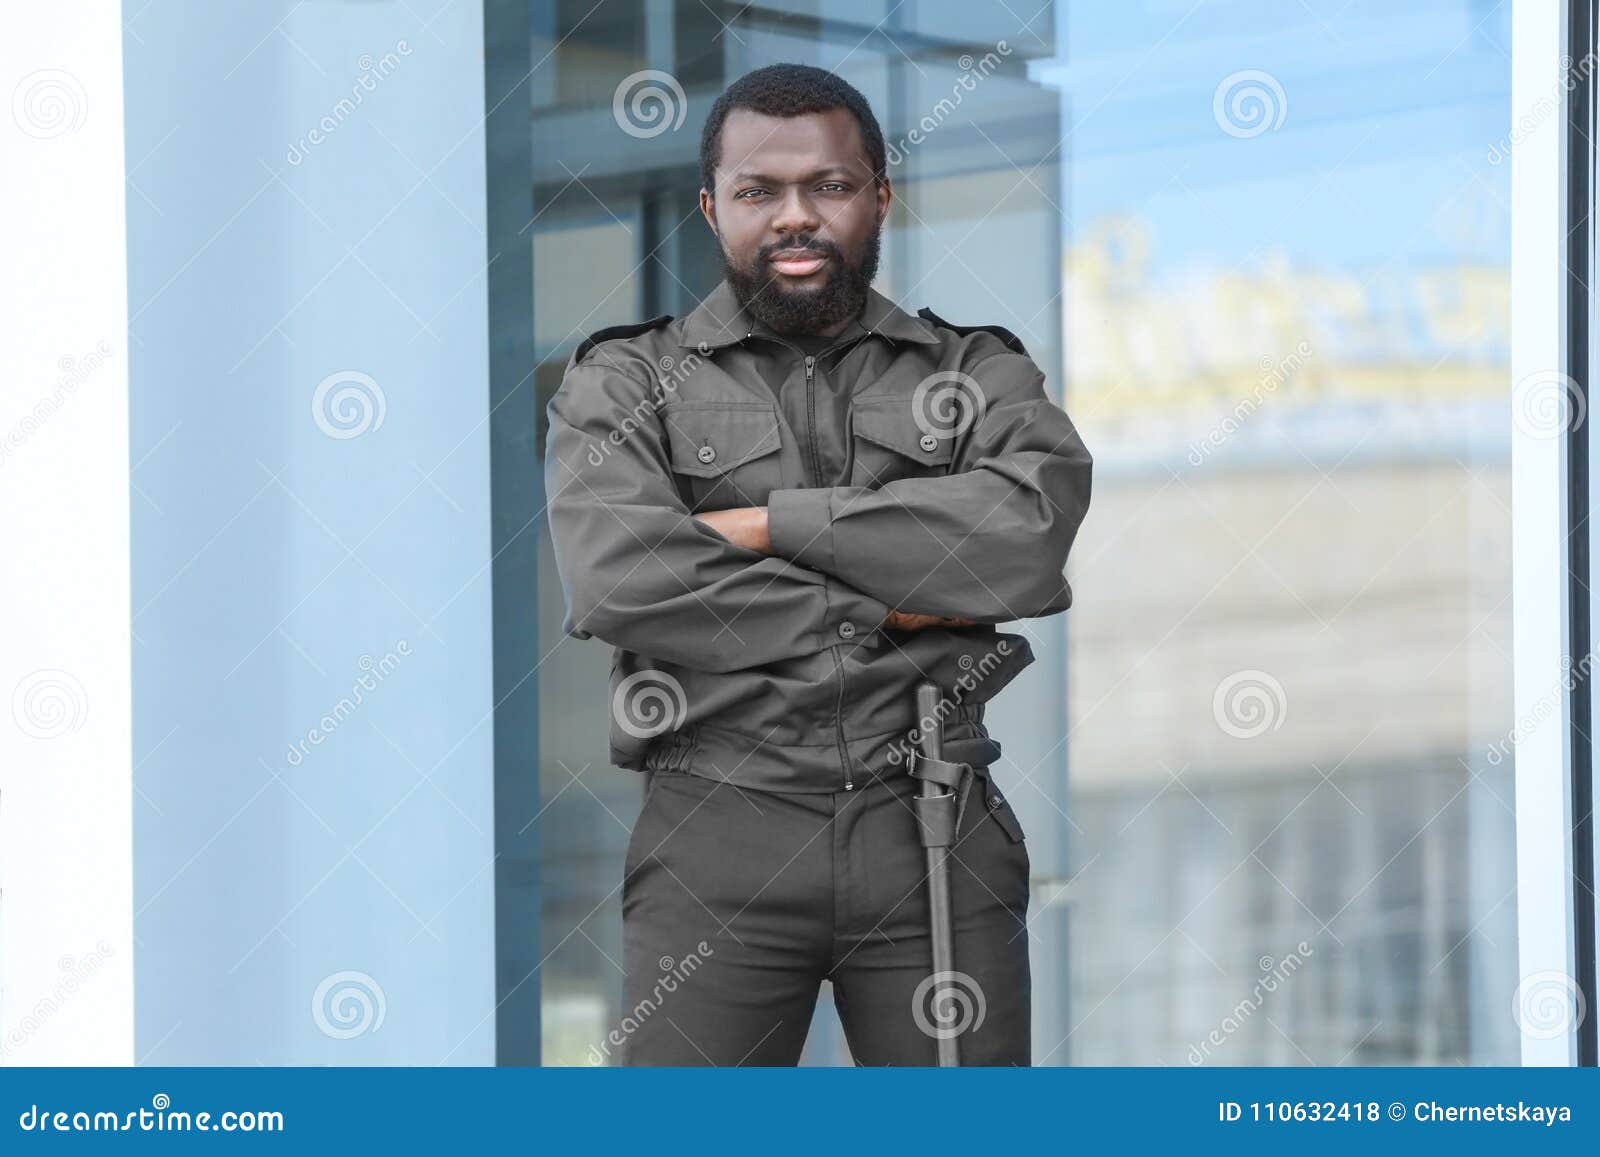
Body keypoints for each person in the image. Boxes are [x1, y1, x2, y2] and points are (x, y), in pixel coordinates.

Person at [544, 62, 1092, 1065]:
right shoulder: (626, 379)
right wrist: (898, 604)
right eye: (760, 191)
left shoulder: (975, 371)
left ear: (878, 194)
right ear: (714, 207)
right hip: (716, 831)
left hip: (931, 822)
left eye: (829, 186)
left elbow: (1026, 532)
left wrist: (763, 526)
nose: (795, 216)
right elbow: (621, 575)